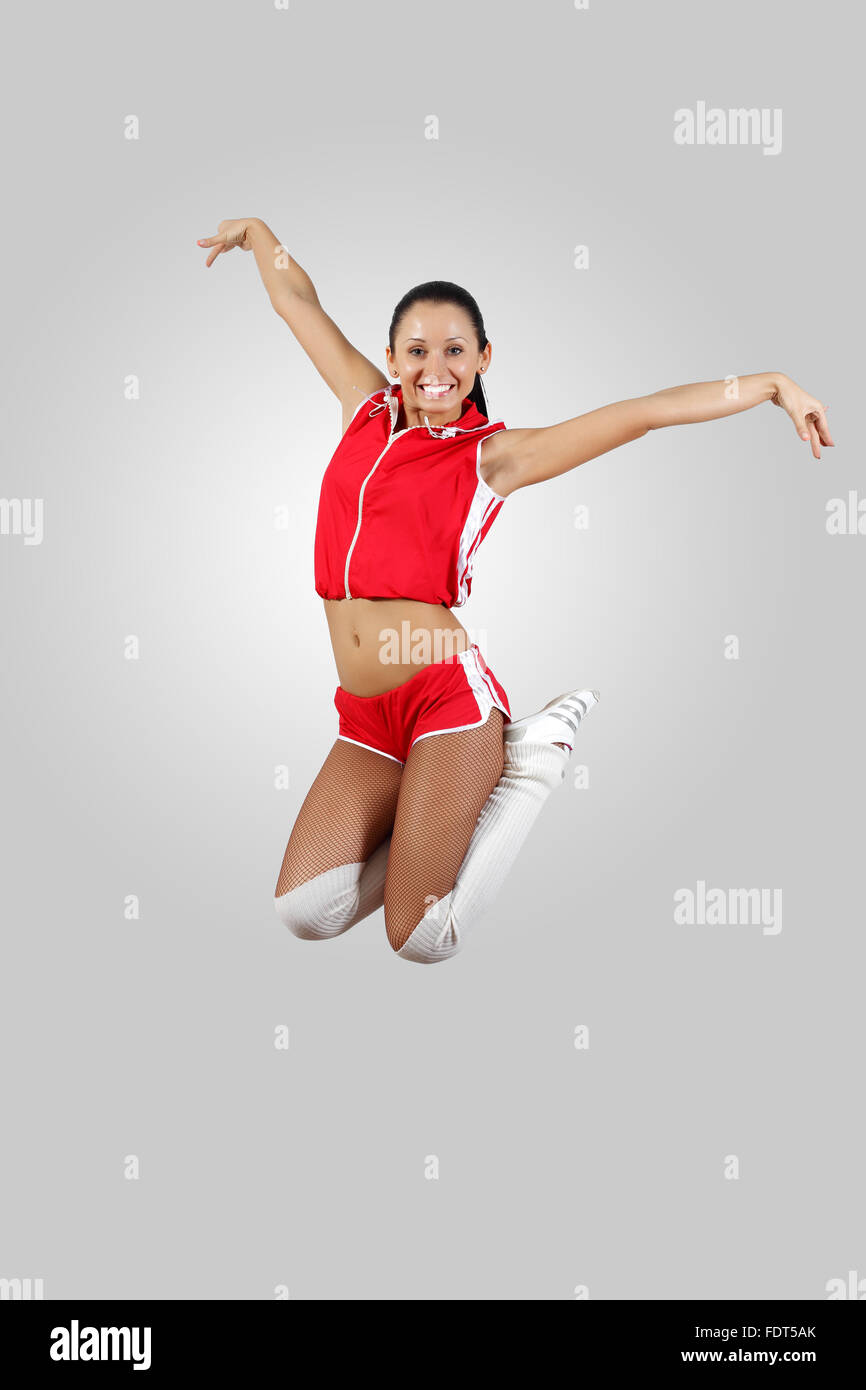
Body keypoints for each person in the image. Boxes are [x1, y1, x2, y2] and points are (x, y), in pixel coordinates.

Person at [197, 217, 834, 964]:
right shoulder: (362, 407)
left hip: (444, 699)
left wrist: (769, 386)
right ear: (394, 356)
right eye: (417, 349)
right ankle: (432, 816)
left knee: (421, 938)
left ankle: (533, 758)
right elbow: (299, 301)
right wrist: (261, 237)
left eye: (455, 350)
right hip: (366, 713)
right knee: (305, 910)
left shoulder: (490, 457)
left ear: (482, 357)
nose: (436, 367)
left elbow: (641, 414)